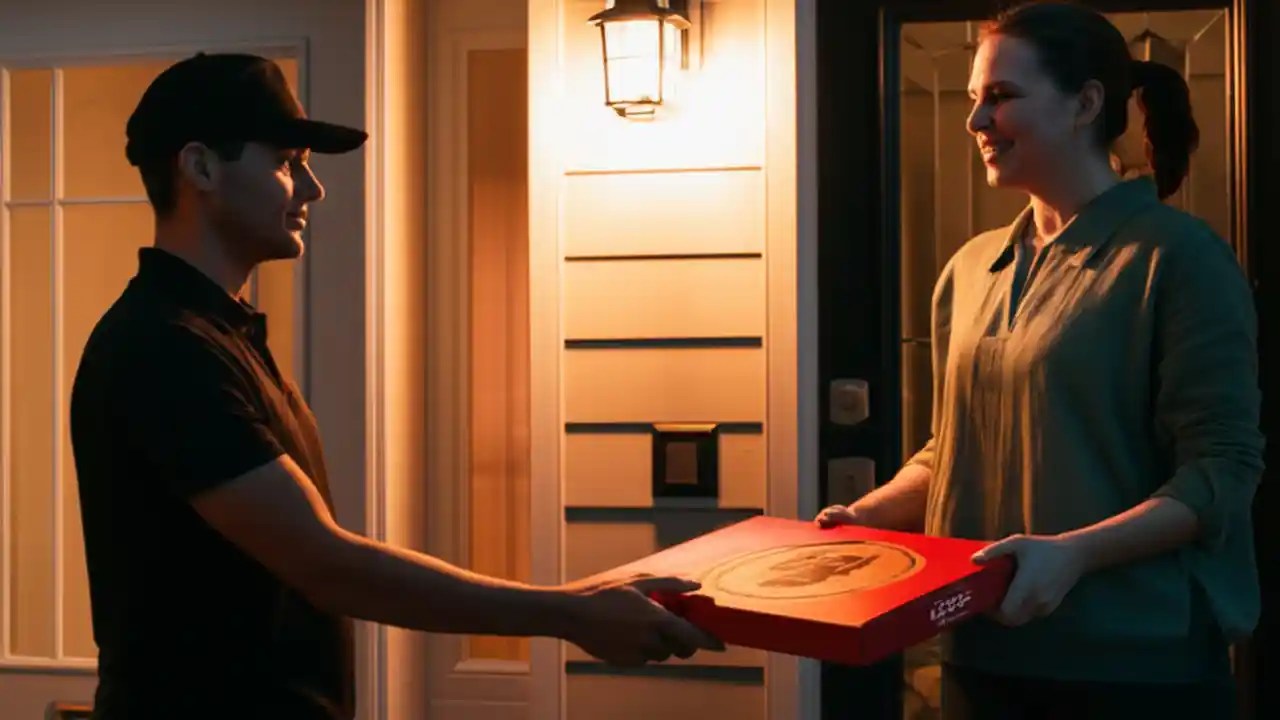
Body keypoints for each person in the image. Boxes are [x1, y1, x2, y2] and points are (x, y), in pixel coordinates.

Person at [68, 52, 722, 720]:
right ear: (201, 167)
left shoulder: (219, 336)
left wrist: (577, 604)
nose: (312, 188)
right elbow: (326, 565)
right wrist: (569, 612)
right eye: (287, 161)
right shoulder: (165, 348)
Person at [816, 2, 1262, 718]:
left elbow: (1221, 472)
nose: (976, 123)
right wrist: (869, 516)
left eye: (1002, 97)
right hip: (974, 651)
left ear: (1086, 103)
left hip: (1134, 671)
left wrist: (1073, 553)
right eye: (972, 100)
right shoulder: (969, 270)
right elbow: (951, 450)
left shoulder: (1180, 259)